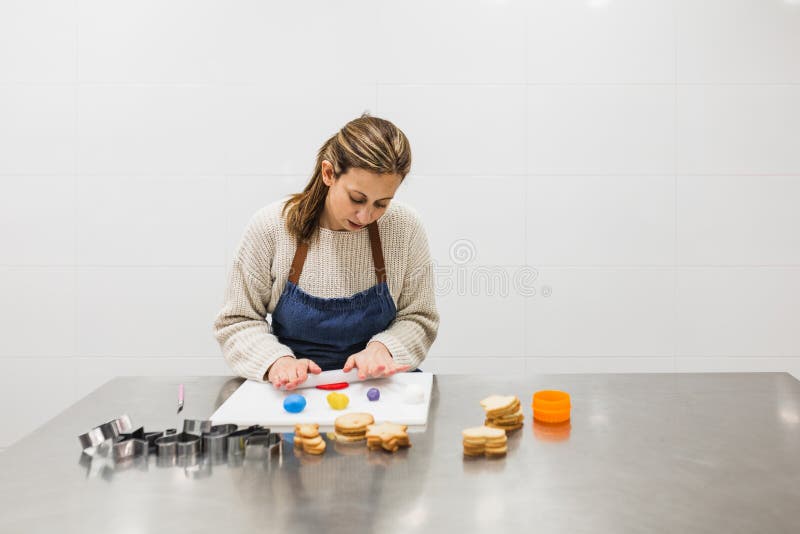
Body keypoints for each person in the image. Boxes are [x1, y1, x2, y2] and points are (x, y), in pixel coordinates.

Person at [213, 113, 439, 390]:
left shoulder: (405, 227)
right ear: (329, 173)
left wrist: (385, 348)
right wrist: (277, 361)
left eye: (381, 203)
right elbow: (237, 320)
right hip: (298, 390)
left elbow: (419, 317)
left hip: (379, 388)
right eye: (356, 198)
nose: (365, 215)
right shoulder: (271, 227)